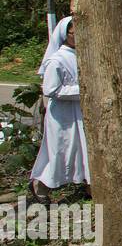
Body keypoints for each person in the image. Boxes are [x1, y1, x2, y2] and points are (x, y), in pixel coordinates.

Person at [29, 17, 89, 201]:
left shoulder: (82, 54)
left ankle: (90, 187)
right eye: (74, 33)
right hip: (62, 116)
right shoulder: (57, 59)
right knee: (61, 152)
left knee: (86, 151)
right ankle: (40, 187)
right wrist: (84, 89)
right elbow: (50, 89)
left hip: (80, 111)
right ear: (65, 34)